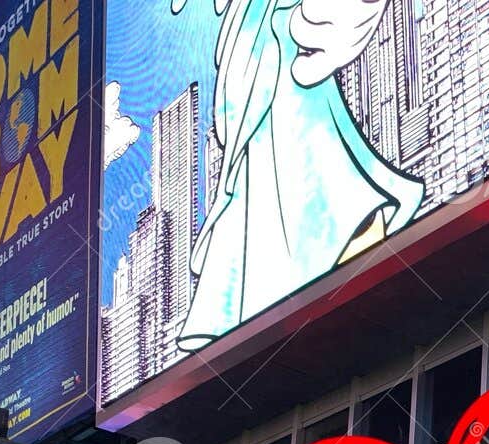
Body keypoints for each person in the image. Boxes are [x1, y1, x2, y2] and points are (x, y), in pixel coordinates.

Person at [174, 0, 425, 352]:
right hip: (260, 75)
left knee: (302, 155)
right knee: (261, 172)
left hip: (291, 81)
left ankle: (335, 239)